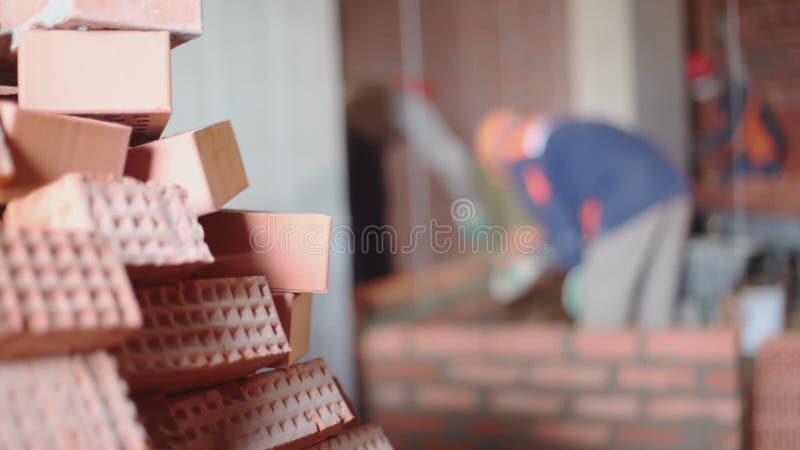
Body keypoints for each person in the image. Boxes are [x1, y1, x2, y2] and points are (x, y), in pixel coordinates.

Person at [475, 111, 691, 328]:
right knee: (657, 314)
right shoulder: (556, 132)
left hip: (627, 208)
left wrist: (543, 259)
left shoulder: (522, 155)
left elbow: (564, 233)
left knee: (600, 326)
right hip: (672, 191)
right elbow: (571, 209)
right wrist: (543, 241)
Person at [346, 81, 483, 283]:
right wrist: (475, 220)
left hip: (355, 159)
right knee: (368, 227)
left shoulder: (380, 105)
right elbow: (453, 165)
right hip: (355, 158)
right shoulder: (410, 106)